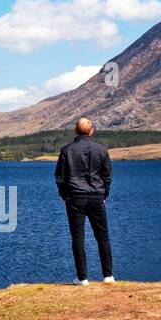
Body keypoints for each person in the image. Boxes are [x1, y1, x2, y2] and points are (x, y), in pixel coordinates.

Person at [54, 117, 114, 285]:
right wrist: (104, 194)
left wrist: (64, 195)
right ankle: (108, 276)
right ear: (91, 130)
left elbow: (59, 177)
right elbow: (108, 175)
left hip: (75, 198)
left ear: (75, 131)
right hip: (96, 197)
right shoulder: (101, 150)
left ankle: (82, 278)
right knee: (102, 236)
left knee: (78, 238)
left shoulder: (66, 150)